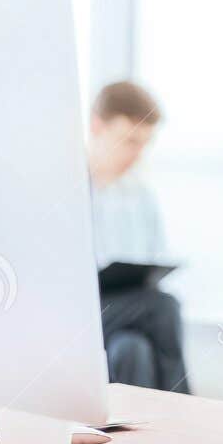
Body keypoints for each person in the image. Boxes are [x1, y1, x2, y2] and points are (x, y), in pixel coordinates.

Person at [88, 80, 191, 393]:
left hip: (128, 315)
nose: (137, 153)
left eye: (145, 144)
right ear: (97, 127)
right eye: (129, 141)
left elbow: (152, 262)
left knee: (132, 350)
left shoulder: (140, 196)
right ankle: (185, 412)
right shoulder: (63, 189)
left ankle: (142, 440)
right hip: (81, 321)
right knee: (163, 307)